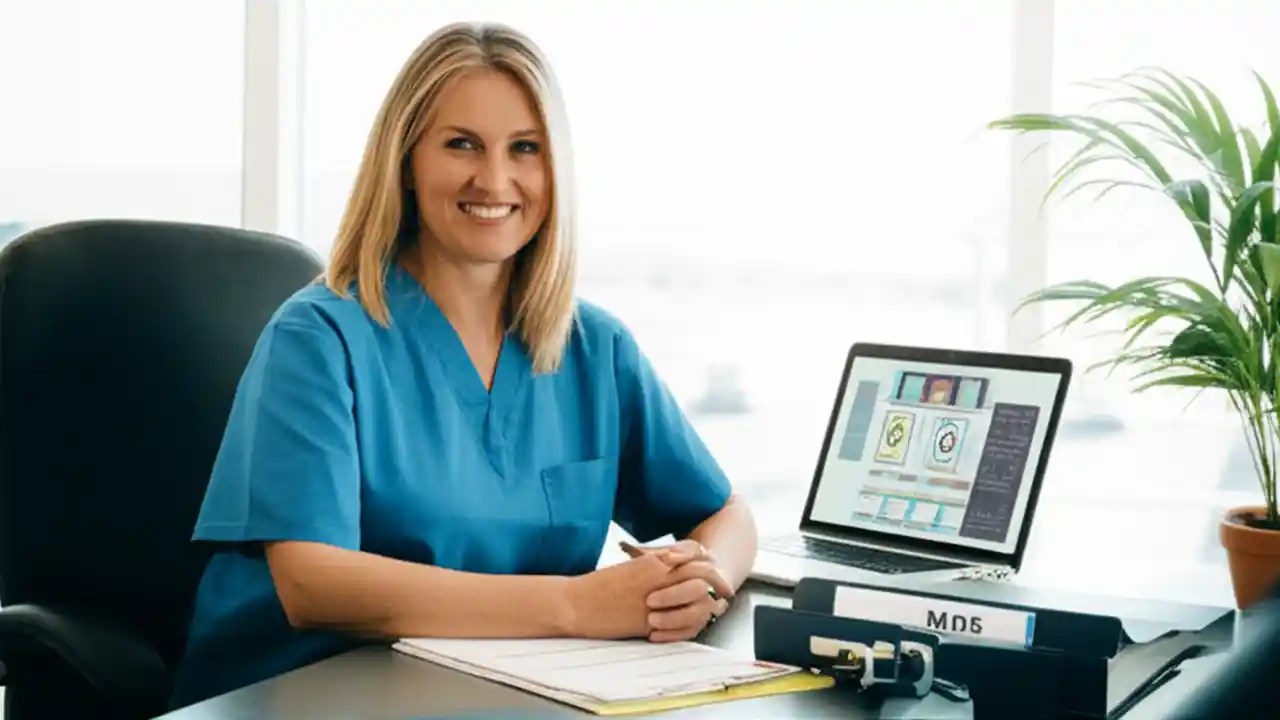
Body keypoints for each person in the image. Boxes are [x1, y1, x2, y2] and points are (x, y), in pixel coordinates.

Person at [167, 21, 757, 709]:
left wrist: (700, 583)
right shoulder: (320, 335)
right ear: (407, 162)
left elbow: (725, 513)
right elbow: (311, 583)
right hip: (308, 693)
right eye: (461, 145)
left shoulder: (594, 347)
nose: (495, 179)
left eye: (525, 149)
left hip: (501, 696)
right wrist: (576, 605)